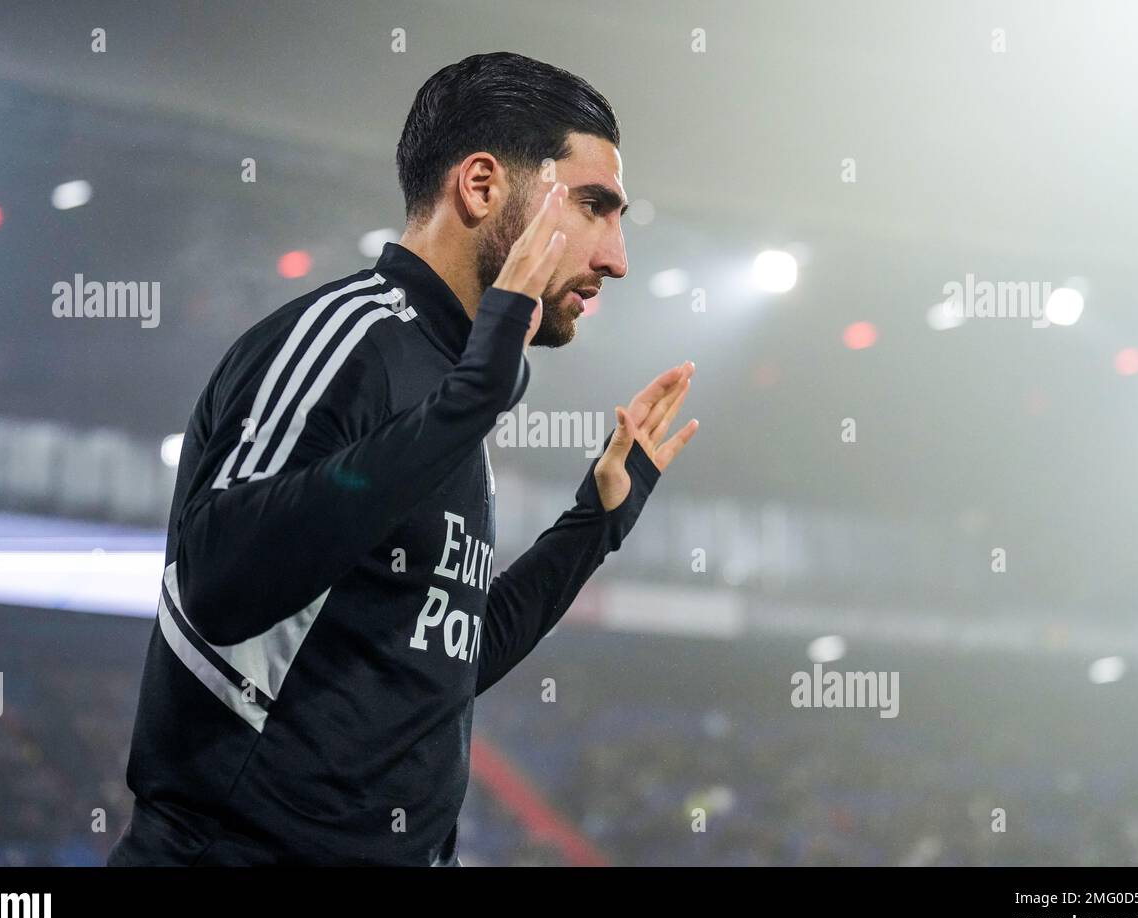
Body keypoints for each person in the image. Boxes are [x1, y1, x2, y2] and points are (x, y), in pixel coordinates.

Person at [108, 51, 697, 866]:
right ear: (483, 186)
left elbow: (446, 661)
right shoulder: (349, 338)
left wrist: (595, 525)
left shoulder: (449, 384)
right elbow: (214, 579)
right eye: (595, 206)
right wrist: (468, 404)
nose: (617, 257)